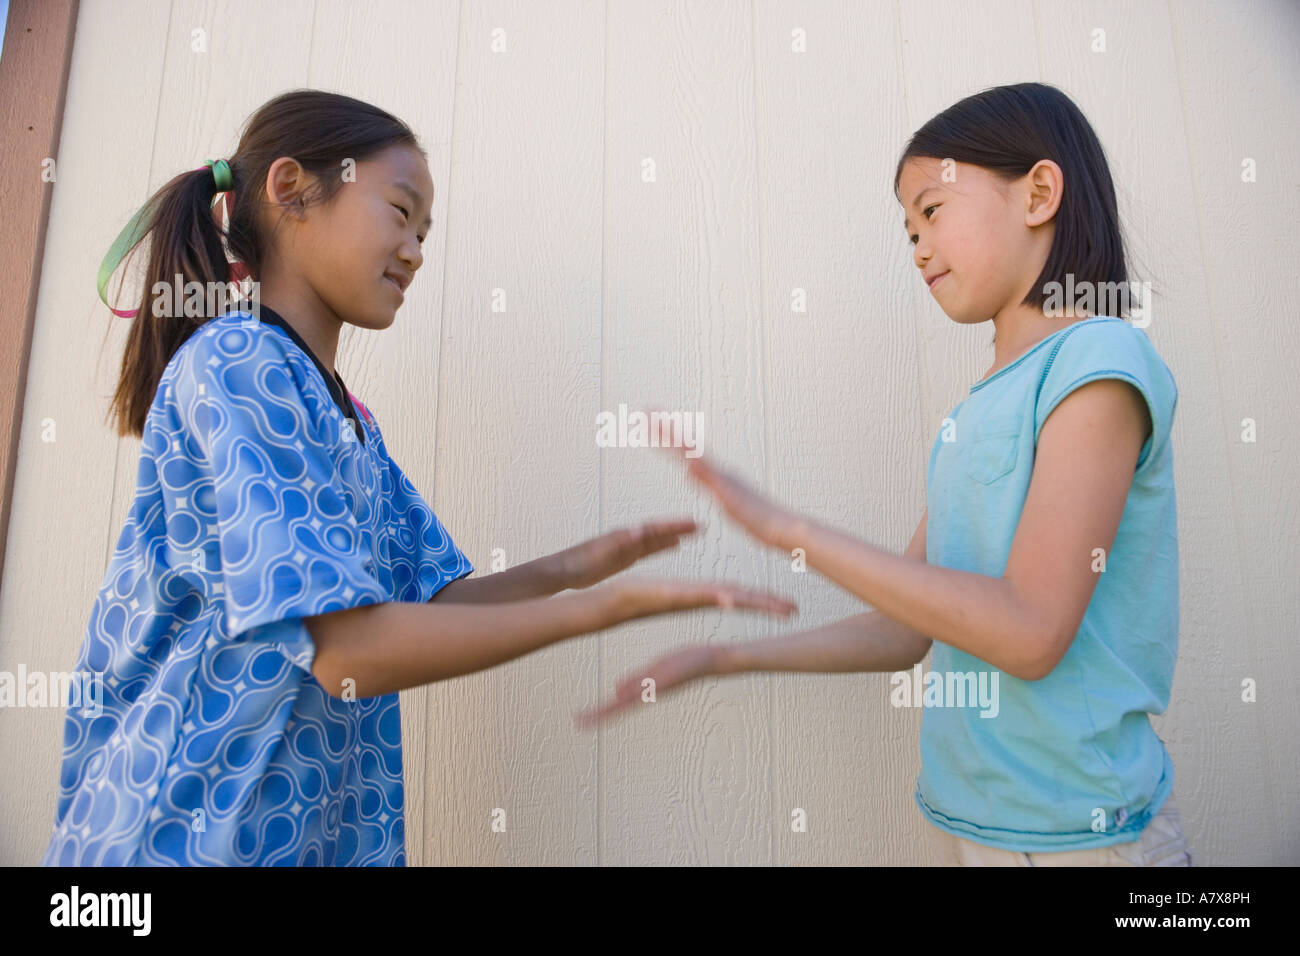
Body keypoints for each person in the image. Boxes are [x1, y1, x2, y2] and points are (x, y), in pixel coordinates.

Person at [44, 89, 795, 866]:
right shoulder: (238, 365)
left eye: (426, 232)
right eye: (401, 212)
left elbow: (431, 600)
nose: (415, 249)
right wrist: (602, 610)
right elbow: (343, 648)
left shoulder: (349, 419)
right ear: (292, 189)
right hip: (179, 833)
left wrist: (577, 568)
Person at [579, 83, 1191, 867]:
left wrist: (788, 528)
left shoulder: (1100, 360)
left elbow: (1032, 632)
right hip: (971, 827)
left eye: (932, 211)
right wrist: (724, 657)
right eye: (908, 232)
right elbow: (908, 628)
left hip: (1088, 840)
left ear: (1039, 193)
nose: (919, 249)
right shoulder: (977, 408)